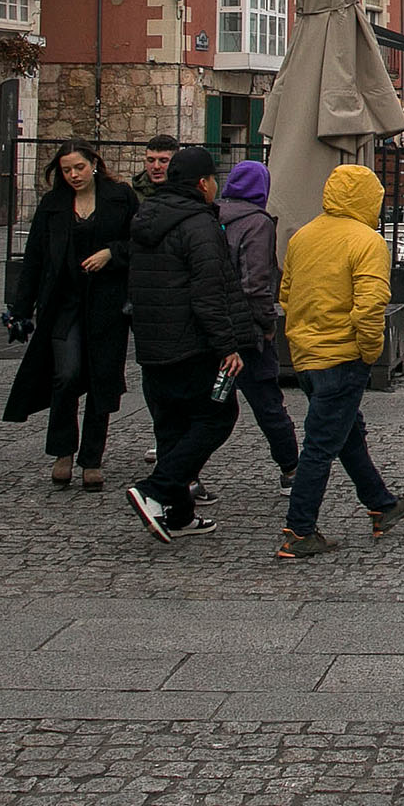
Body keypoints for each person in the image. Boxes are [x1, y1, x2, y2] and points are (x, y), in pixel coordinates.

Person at [274, 163, 404, 558]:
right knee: (321, 445)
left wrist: (304, 333)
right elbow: (370, 306)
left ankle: (381, 504)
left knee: (346, 433)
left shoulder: (303, 236)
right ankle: (299, 530)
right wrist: (370, 352)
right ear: (371, 200)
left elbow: (287, 294)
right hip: (342, 356)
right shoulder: (367, 241)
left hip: (306, 355)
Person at [122, 145, 258, 542]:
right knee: (217, 417)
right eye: (213, 179)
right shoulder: (198, 224)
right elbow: (208, 292)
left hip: (153, 341)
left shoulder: (147, 215)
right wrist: (227, 346)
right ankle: (156, 489)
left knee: (171, 427)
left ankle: (178, 514)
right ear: (202, 183)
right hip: (191, 343)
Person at [1, 143, 137, 491]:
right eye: (66, 170)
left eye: (79, 167)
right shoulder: (53, 204)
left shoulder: (120, 197)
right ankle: (63, 451)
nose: (73, 175)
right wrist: (21, 309)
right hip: (64, 303)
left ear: (94, 164)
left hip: (106, 304)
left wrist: (111, 253)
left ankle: (91, 459)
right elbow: (34, 258)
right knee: (66, 374)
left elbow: (140, 242)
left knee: (101, 380)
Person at [214, 158, 301, 491]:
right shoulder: (257, 223)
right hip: (247, 329)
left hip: (214, 325)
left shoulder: (213, 215)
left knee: (211, 405)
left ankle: (184, 473)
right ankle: (291, 469)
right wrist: (267, 324)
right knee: (267, 402)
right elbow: (255, 283)